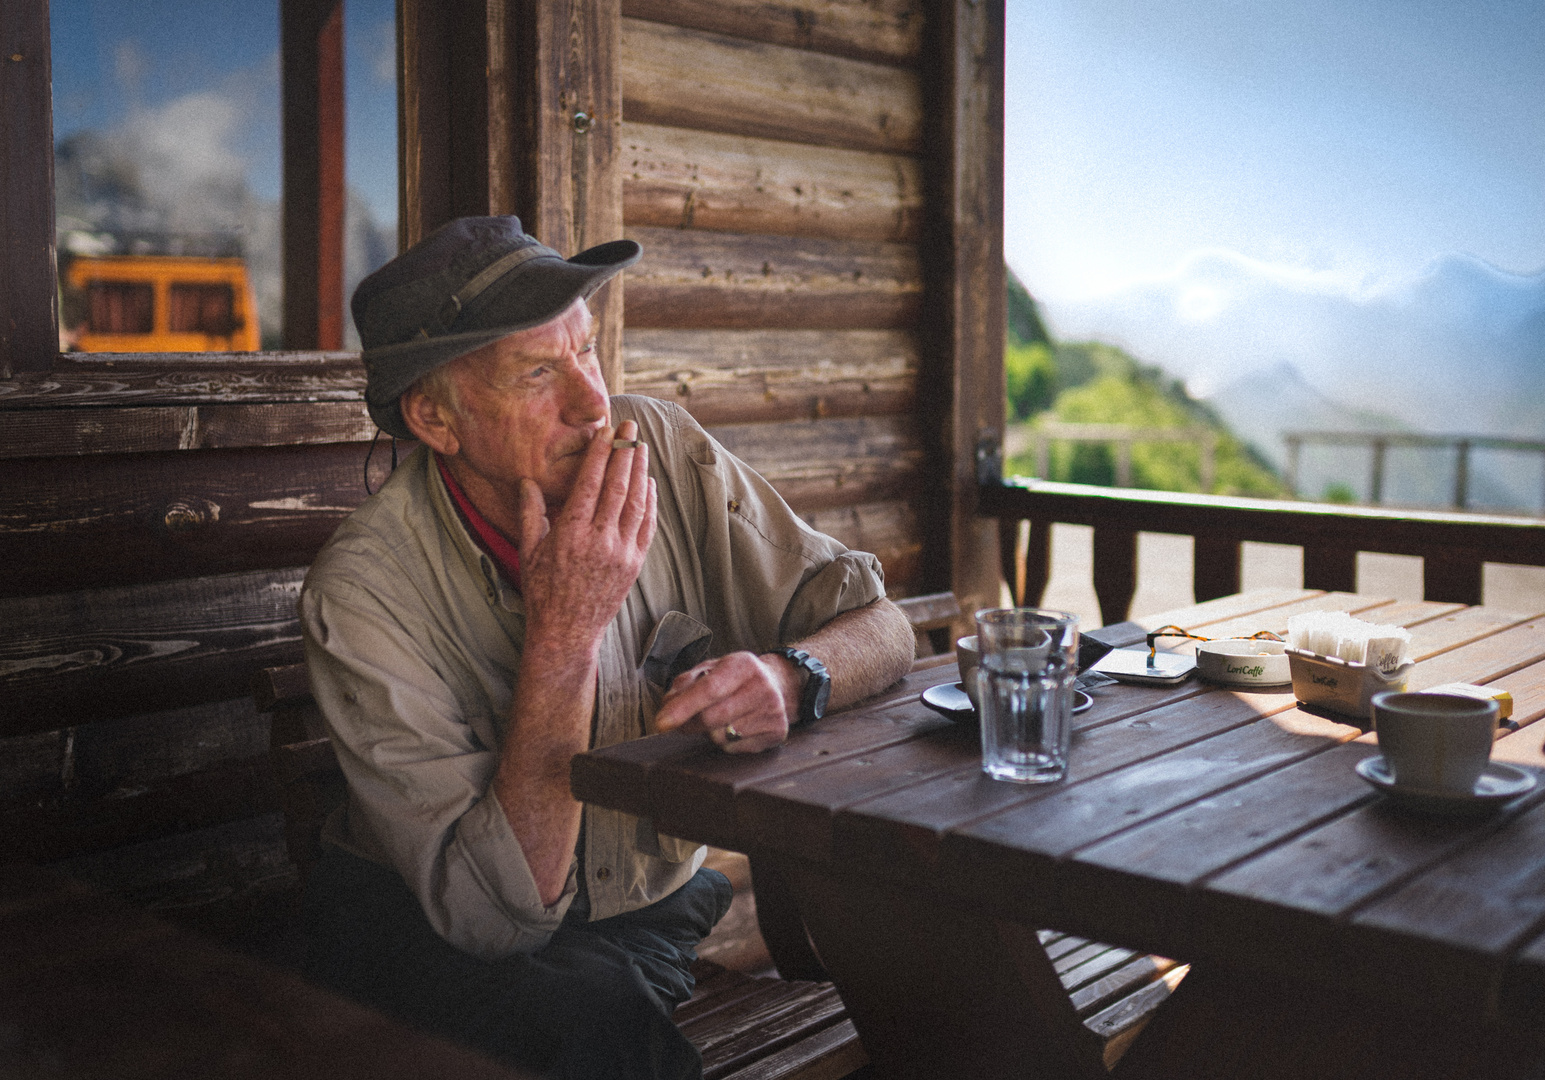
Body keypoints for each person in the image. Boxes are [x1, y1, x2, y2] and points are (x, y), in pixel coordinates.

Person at [298, 216, 917, 1079]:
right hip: (422, 927)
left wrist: (791, 675)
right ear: (436, 417)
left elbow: (882, 627)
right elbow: (494, 919)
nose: (592, 404)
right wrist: (565, 631)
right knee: (591, 1025)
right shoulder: (362, 589)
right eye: (537, 373)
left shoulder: (657, 446)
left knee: (910, 1005)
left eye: (585, 351)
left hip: (635, 919)